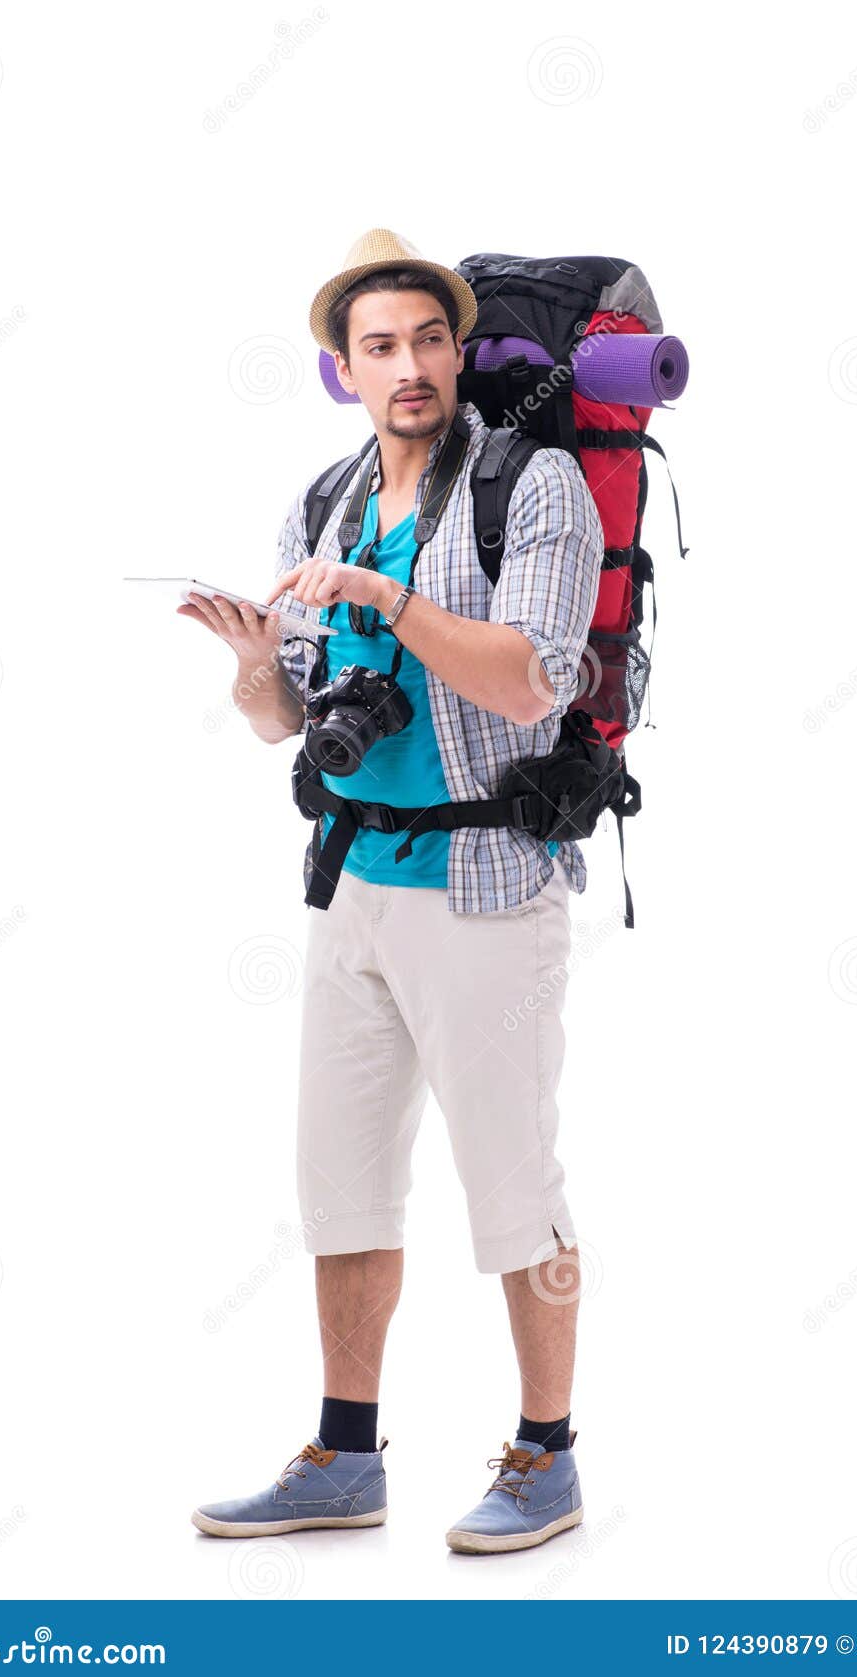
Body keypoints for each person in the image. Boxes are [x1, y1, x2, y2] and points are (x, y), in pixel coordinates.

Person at [183, 230, 604, 1554]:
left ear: (458, 350)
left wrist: (385, 592)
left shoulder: (531, 489)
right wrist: (257, 671)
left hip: (489, 879)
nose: (410, 365)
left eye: (431, 339)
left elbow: (533, 677)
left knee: (513, 1185)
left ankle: (548, 1453)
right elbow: (287, 720)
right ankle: (344, 1455)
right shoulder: (322, 497)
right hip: (355, 879)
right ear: (344, 368)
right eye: (382, 345)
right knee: (344, 1184)